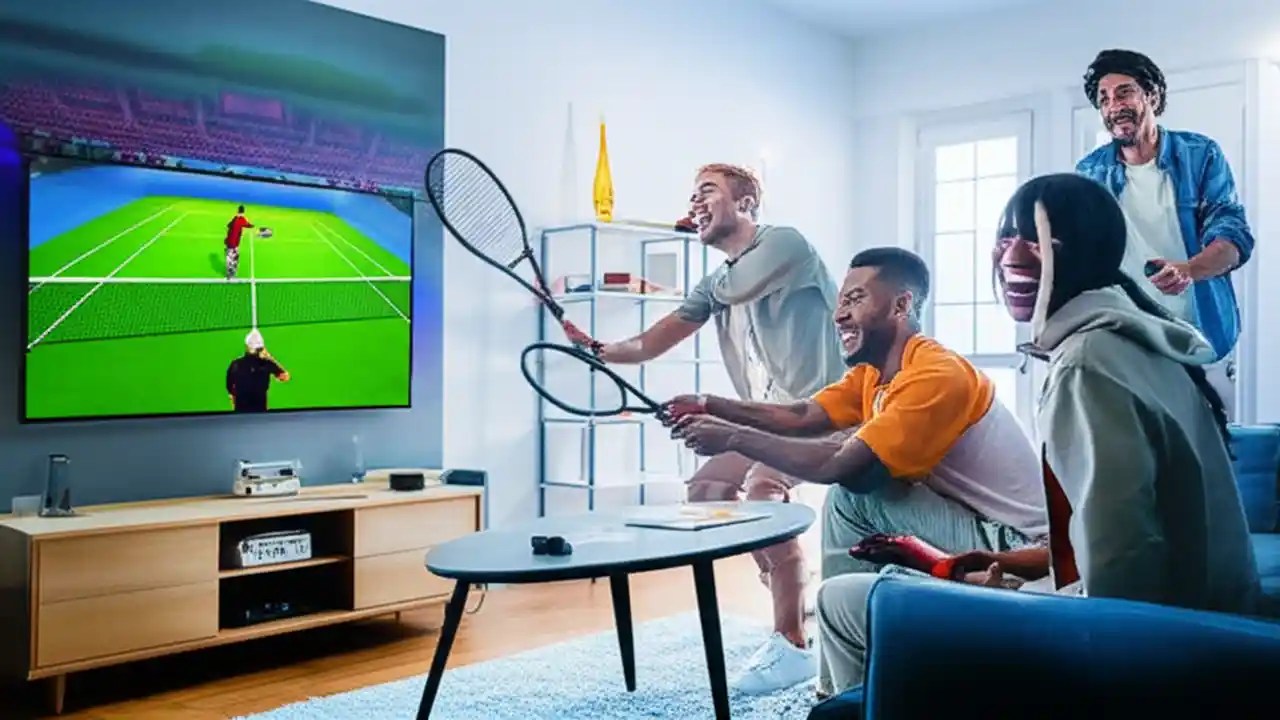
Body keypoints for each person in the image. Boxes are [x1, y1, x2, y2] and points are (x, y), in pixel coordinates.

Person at [812, 173, 1263, 696]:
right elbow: (1105, 536)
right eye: (1005, 236)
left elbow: (1120, 575)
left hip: (1155, 645)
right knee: (903, 550)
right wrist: (992, 566)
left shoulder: (1088, 364)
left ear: (1088, 252)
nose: (1013, 255)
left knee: (841, 600)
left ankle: (844, 704)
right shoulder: (1135, 336)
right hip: (1193, 620)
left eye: (1041, 239)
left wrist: (1006, 597)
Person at [669, 246, 1047, 697]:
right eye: (840, 302)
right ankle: (851, 662)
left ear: (901, 305)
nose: (839, 316)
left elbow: (841, 465)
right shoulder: (875, 373)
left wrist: (731, 437)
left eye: (855, 300)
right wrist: (713, 405)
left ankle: (843, 689)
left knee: (853, 494)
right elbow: (803, 415)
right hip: (971, 522)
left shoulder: (936, 374)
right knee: (852, 497)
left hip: (1015, 544)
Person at [563, 163, 846, 694]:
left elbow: (728, 287)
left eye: (707, 192)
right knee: (709, 487)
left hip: (829, 413)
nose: (695, 201)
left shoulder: (785, 244)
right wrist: (601, 349)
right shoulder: (716, 283)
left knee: (764, 490)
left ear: (746, 203)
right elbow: (651, 343)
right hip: (769, 414)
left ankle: (793, 643)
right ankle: (787, 594)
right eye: (692, 194)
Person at [1076, 48, 1254, 417]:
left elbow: (1233, 235)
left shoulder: (1200, 154)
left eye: (1124, 92)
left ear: (1152, 96)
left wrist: (1189, 270)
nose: (1114, 106)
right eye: (1104, 99)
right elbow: (1082, 257)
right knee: (1145, 457)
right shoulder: (1089, 172)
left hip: (1203, 337)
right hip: (1131, 340)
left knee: (1214, 457)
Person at [226, 329, 290, 412]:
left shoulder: (235, 364)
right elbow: (285, 377)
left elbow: (229, 388)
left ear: (247, 346)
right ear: (262, 348)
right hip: (260, 411)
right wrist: (270, 357)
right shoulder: (267, 363)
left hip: (240, 412)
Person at [225, 205, 254, 280]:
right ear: (243, 212)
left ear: (238, 211)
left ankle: (231, 274)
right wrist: (252, 226)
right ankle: (231, 275)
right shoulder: (241, 219)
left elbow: (229, 225)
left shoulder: (237, 219)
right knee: (233, 258)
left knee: (232, 258)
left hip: (231, 242)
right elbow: (248, 225)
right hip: (233, 243)